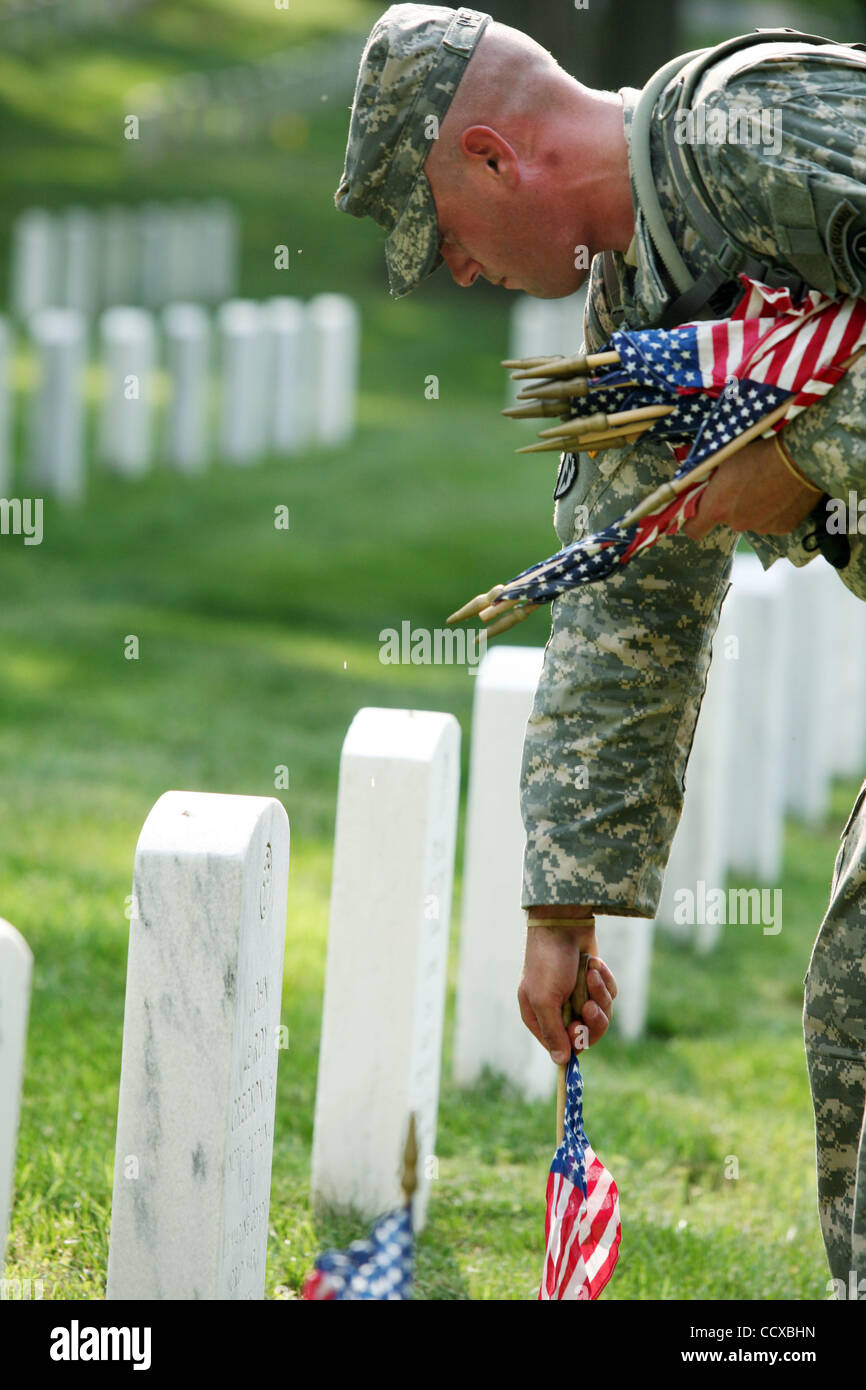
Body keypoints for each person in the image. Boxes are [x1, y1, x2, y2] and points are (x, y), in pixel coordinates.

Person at [334, 4, 866, 1289]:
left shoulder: (755, 129)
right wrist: (562, 902)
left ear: (491, 155)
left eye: (442, 234)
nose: (456, 272)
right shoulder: (639, 312)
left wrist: (807, 454)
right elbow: (628, 609)